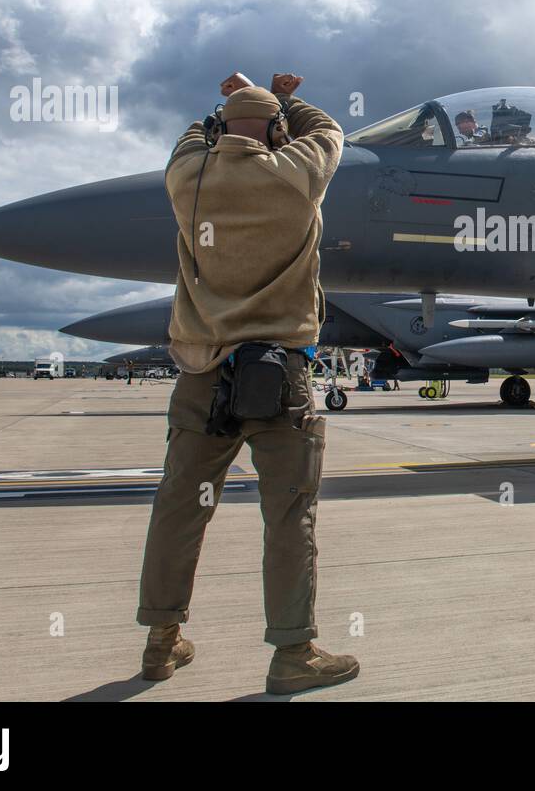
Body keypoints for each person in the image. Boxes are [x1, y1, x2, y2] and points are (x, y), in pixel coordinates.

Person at [136, 70, 359, 695]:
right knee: (289, 516)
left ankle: (161, 642)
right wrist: (284, 97)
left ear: (217, 129)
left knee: (179, 508)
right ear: (279, 132)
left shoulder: (187, 177)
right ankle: (294, 654)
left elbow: (192, 135)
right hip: (279, 377)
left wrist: (228, 103)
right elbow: (329, 131)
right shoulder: (297, 175)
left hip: (201, 375)